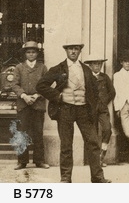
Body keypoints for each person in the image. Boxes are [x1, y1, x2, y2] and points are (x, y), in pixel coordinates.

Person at [37, 38, 109, 183]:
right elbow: (41, 86)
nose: (73, 51)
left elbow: (95, 91)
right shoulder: (58, 69)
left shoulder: (86, 69)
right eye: (70, 49)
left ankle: (97, 177)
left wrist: (92, 107)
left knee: (93, 143)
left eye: (76, 49)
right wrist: (58, 96)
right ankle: (65, 178)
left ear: (80, 51)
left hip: (84, 111)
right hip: (65, 110)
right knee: (66, 145)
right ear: (66, 50)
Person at [11, 40, 49, 170]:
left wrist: (37, 95)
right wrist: (24, 96)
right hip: (23, 105)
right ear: (25, 54)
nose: (31, 54)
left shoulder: (42, 68)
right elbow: (14, 84)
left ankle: (39, 161)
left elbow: (46, 85)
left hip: (38, 104)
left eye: (33, 52)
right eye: (28, 52)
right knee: (22, 133)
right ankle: (22, 161)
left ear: (37, 53)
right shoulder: (19, 67)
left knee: (38, 132)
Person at [83, 52, 114, 159]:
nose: (97, 66)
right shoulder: (86, 77)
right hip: (90, 109)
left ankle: (103, 151)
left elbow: (112, 92)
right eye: (95, 64)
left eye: (99, 64)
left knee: (107, 129)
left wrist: (104, 100)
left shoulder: (105, 77)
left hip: (102, 108)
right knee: (93, 133)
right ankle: (94, 158)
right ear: (90, 66)